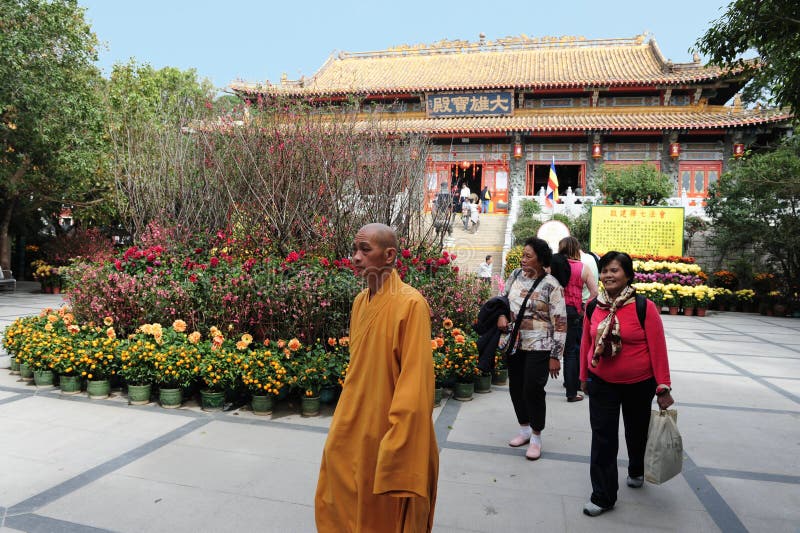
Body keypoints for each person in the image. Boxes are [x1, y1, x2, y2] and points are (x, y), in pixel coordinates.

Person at [315, 223, 439, 532]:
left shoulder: (410, 304)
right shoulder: (360, 302)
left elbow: (416, 380)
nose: (356, 257)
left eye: (365, 250)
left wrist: (400, 440)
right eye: (355, 250)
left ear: (389, 255)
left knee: (382, 508)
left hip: (388, 427)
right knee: (339, 496)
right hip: (354, 420)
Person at [579, 251, 674, 517]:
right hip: (602, 382)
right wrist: (583, 377)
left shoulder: (644, 307)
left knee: (636, 431)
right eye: (605, 271)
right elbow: (586, 342)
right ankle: (603, 495)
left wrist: (663, 386)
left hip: (639, 383)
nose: (608, 275)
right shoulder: (593, 306)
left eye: (614, 270)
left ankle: (636, 468)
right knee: (603, 439)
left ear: (628, 275)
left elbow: (658, 348)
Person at [497, 237, 567, 460]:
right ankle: (524, 428)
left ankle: (536, 436)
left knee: (533, 389)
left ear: (540, 259)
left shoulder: (552, 284)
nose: (524, 259)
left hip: (540, 345)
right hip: (515, 342)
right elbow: (503, 300)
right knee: (516, 387)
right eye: (523, 255)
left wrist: (556, 355)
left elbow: (560, 321)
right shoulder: (515, 275)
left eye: (528, 256)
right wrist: (500, 315)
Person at [559, 237, 598, 403]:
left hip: (555, 312)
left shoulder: (555, 266)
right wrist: (584, 308)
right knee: (572, 352)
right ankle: (571, 391)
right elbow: (594, 292)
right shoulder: (583, 268)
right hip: (574, 313)